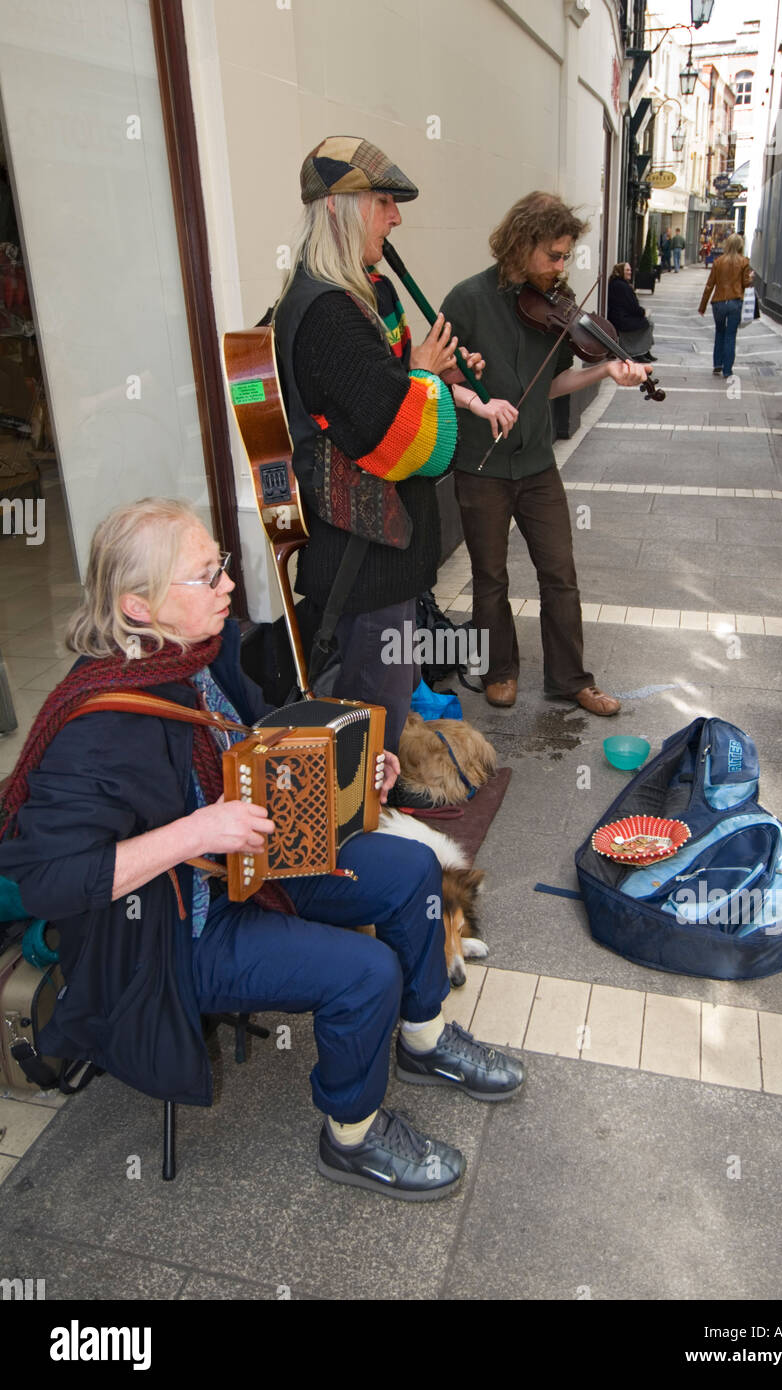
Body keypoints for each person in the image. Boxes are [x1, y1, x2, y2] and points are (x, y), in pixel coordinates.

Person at [0, 498, 524, 1201]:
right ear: (137, 605)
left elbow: (251, 750)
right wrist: (195, 832)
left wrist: (352, 775)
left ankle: (423, 1039)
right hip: (172, 928)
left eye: (220, 566)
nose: (227, 586)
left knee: (413, 868)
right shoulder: (96, 724)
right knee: (365, 972)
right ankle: (353, 1137)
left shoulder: (200, 653)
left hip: (249, 863)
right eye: (207, 575)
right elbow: (47, 880)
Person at [271, 137, 510, 753]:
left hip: (378, 551)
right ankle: (362, 828)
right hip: (364, 557)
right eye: (383, 202)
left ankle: (374, 807)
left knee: (388, 697)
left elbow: (373, 398)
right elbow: (402, 441)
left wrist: (438, 377)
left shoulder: (356, 297)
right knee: (373, 712)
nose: (396, 216)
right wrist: (426, 376)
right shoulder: (329, 313)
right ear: (337, 208)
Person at [440, 192, 650, 714]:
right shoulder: (466, 299)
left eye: (566, 257)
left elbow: (552, 385)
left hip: (536, 463)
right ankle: (500, 671)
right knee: (490, 578)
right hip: (480, 464)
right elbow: (432, 375)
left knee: (560, 573)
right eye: (554, 255)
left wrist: (605, 369)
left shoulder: (557, 306)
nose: (562, 267)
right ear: (522, 243)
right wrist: (467, 382)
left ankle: (571, 679)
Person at [698, 232, 753, 380]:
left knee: (719, 332)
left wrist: (702, 306)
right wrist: (751, 278)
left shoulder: (718, 262)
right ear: (740, 245)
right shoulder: (744, 262)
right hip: (735, 302)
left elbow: (710, 285)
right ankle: (727, 370)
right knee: (730, 336)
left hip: (719, 302)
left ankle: (717, 363)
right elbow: (746, 284)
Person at [606, 262, 657, 361]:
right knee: (648, 324)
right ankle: (639, 352)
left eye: (630, 270)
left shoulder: (619, 284)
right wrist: (643, 312)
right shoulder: (622, 286)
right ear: (621, 272)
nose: (630, 272)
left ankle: (645, 351)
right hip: (621, 319)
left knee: (648, 322)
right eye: (627, 270)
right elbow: (632, 307)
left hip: (620, 316)